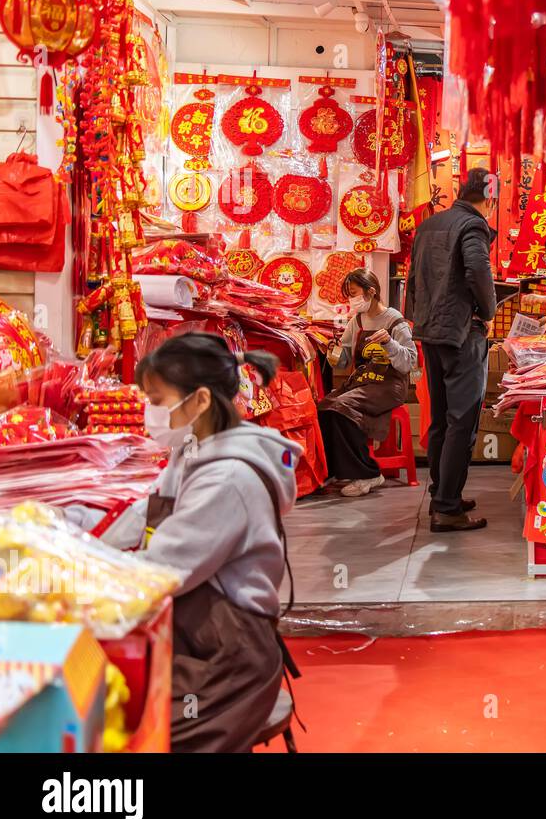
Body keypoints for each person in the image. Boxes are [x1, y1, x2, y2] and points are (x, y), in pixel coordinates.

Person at [100, 333, 299, 753]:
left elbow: (161, 573)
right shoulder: (191, 452)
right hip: (193, 639)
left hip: (224, 661)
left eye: (157, 400)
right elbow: (142, 515)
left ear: (201, 401)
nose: (149, 412)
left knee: (122, 728)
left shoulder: (226, 479)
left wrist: (76, 577)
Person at [407, 167, 498, 532]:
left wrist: (422, 318)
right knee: (464, 420)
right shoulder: (473, 225)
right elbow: (477, 268)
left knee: (443, 417)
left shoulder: (430, 224)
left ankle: (442, 493)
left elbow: (414, 279)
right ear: (490, 199)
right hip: (461, 333)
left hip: (430, 331)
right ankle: (447, 508)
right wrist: (488, 312)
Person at [317, 268, 415, 497]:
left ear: (371, 291)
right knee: (323, 406)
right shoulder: (357, 321)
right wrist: (332, 352)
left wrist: (390, 343)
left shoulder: (395, 320)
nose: (352, 299)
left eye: (354, 293)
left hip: (389, 386)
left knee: (341, 407)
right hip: (363, 381)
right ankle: (334, 470)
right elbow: (342, 362)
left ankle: (367, 473)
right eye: (349, 295)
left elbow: (409, 362)